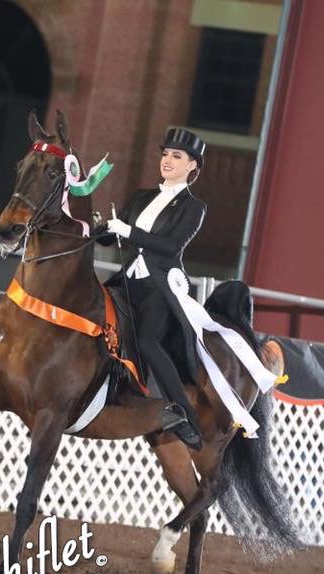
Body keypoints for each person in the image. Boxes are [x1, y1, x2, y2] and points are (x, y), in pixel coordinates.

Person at [99, 128, 207, 450]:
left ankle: (185, 417)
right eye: (165, 154)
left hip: (160, 286)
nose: (167, 160)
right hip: (128, 280)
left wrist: (128, 231)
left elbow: (170, 246)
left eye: (177, 156)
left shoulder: (193, 207)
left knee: (147, 340)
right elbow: (112, 238)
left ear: (192, 166)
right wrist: (101, 227)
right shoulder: (141, 197)